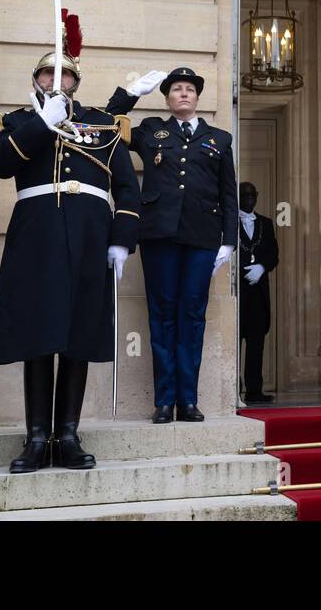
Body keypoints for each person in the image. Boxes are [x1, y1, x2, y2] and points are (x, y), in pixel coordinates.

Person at [0, 13, 140, 471]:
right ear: (36, 79)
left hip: (91, 235)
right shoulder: (16, 121)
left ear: (75, 80)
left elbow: (127, 188)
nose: (57, 79)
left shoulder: (100, 124)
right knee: (38, 332)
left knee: (78, 333)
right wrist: (40, 123)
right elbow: (1, 166)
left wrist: (121, 239)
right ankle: (36, 438)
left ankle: (67, 435)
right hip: (37, 236)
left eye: (65, 73)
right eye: (49, 72)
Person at [105, 67, 237, 423]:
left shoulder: (220, 139)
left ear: (197, 97)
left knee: (192, 316)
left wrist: (230, 242)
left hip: (202, 238)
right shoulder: (150, 131)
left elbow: (229, 193)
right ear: (167, 97)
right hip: (159, 235)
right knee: (162, 315)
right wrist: (132, 92)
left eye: (189, 89)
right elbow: (108, 124)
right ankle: (164, 400)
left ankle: (188, 400)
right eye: (176, 89)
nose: (183, 93)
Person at [238, 181, 278, 404]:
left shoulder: (266, 223)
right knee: (235, 344)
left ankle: (255, 390)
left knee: (256, 344)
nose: (249, 199)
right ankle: (234, 389)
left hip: (259, 294)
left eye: (252, 195)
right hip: (238, 292)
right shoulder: (228, 221)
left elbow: (274, 254)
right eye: (244, 195)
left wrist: (262, 267)